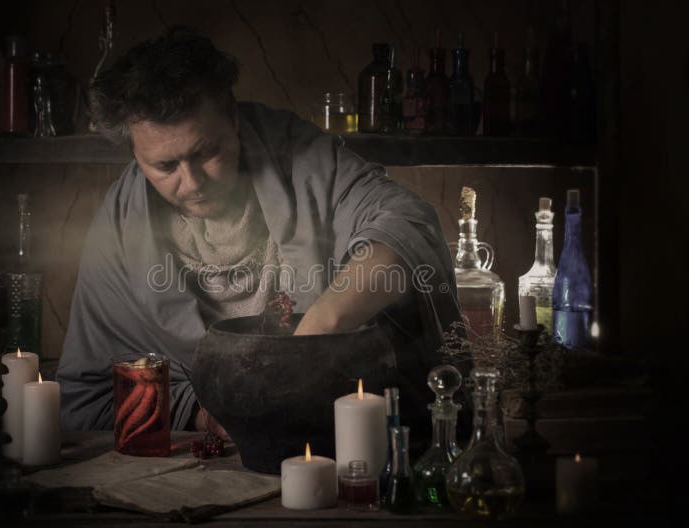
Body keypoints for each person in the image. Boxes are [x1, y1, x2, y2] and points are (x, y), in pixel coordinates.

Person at [56, 28, 462, 438]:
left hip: (337, 433)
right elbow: (88, 398)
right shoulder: (122, 219)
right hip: (209, 451)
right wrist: (201, 415)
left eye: (206, 152)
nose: (192, 181)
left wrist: (319, 329)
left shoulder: (300, 155)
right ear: (135, 154)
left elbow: (409, 223)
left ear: (233, 117)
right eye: (165, 167)